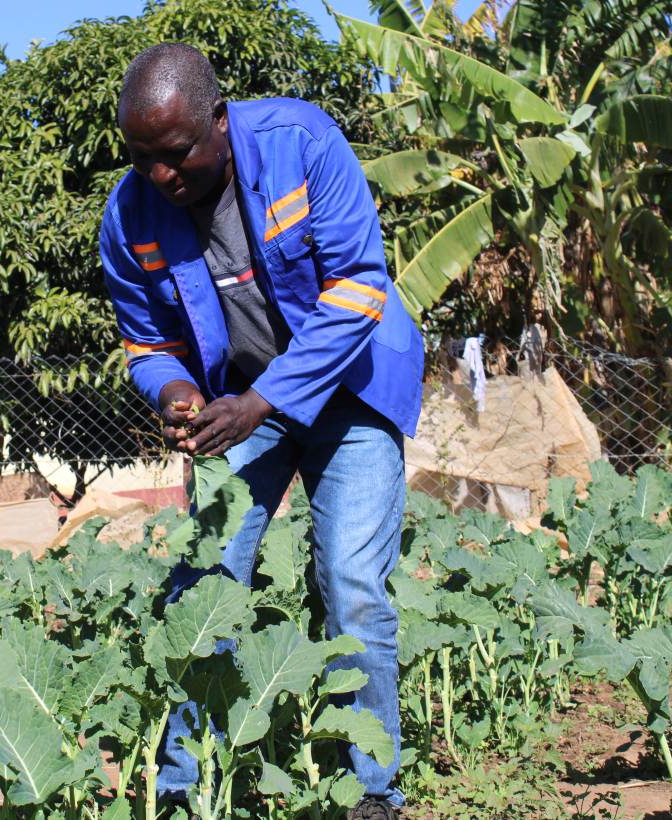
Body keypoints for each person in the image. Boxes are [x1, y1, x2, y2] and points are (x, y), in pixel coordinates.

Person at [99, 43, 424, 817]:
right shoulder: (130, 213)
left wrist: (266, 400)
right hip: (238, 403)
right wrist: (175, 390)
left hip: (353, 387)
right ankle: (183, 786)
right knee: (207, 582)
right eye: (141, 158)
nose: (160, 176)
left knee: (350, 584)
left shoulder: (301, 143)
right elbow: (145, 342)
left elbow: (358, 285)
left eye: (175, 155)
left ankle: (374, 791)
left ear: (218, 120)